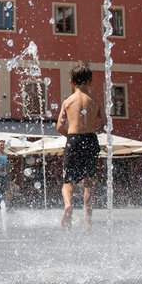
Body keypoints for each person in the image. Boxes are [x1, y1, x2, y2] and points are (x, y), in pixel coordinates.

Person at [57, 62, 106, 230]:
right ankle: (87, 217)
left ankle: (68, 205)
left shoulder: (68, 101)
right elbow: (104, 123)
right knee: (89, 181)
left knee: (68, 181)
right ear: (91, 81)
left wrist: (71, 136)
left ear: (71, 82)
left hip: (73, 140)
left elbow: (58, 127)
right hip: (91, 139)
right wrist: (93, 130)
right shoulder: (96, 101)